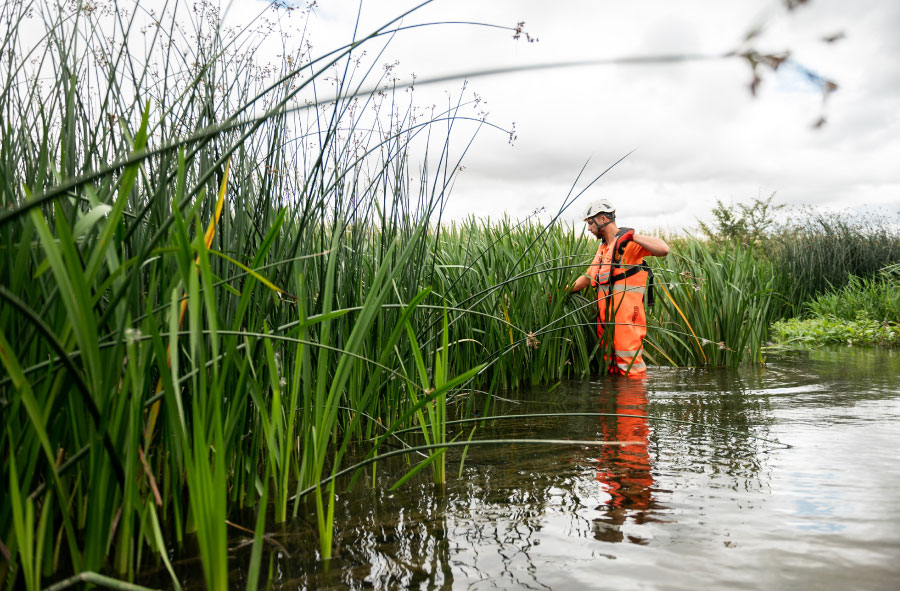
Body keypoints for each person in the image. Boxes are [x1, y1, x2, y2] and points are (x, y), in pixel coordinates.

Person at [565, 199, 669, 375]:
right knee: (610, 364)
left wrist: (632, 236)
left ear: (603, 219)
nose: (588, 228)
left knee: (629, 364)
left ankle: (634, 392)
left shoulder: (628, 243)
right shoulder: (603, 248)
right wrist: (562, 292)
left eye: (590, 223)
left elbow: (663, 249)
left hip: (626, 318)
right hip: (606, 319)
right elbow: (588, 278)